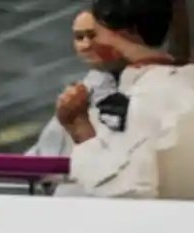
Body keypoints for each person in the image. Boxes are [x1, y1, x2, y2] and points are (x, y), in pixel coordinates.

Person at [56, 0, 194, 201]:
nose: (89, 45)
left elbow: (126, 192)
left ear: (127, 32)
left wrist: (80, 127)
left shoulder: (154, 94)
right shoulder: (163, 87)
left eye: (96, 32)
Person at [26, 10, 123, 158]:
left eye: (93, 35)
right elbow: (43, 151)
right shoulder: (82, 90)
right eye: (79, 37)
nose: (86, 45)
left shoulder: (139, 87)